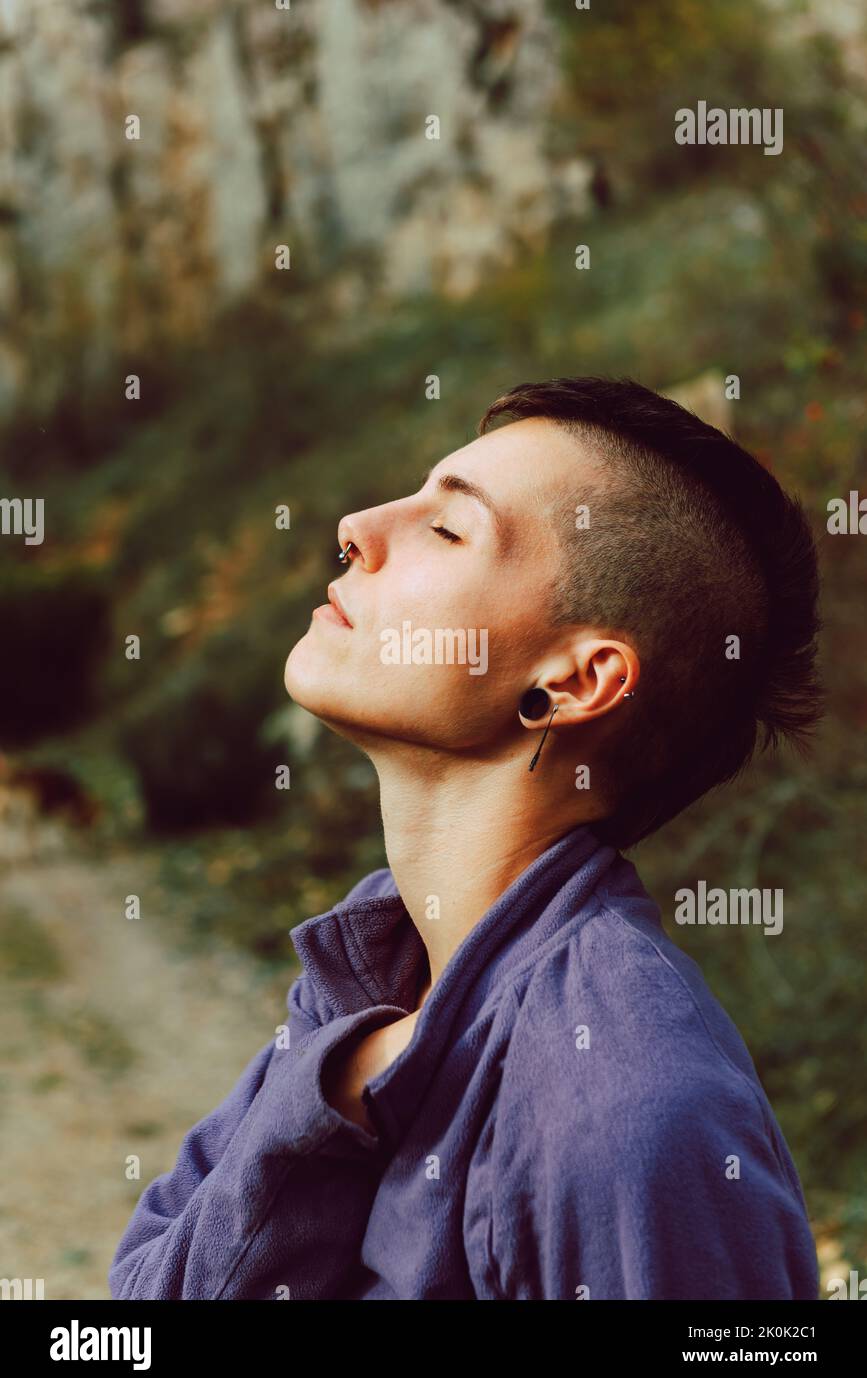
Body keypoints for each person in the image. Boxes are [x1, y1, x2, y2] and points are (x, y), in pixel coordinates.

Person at [109, 376, 822, 1300]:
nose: (357, 526)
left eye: (447, 530)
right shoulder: (368, 979)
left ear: (570, 682)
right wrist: (340, 1089)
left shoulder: (625, 1103)